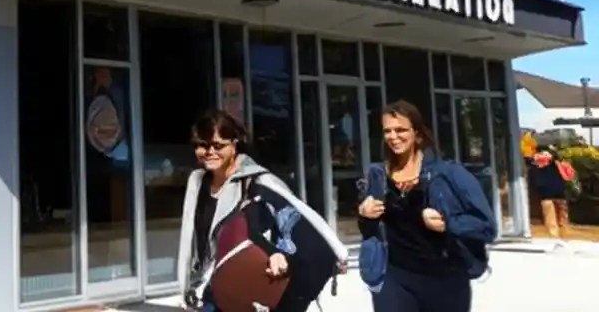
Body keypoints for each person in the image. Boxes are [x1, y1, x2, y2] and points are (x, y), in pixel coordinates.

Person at [177, 110, 347, 312]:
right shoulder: (197, 181)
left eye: (218, 145)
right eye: (202, 145)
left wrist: (337, 250)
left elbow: (300, 214)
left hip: (245, 283)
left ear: (234, 144)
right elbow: (192, 239)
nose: (209, 152)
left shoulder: (258, 181)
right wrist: (187, 287)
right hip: (208, 285)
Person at [357, 100, 497, 312]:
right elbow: (371, 231)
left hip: (445, 280)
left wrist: (447, 224)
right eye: (388, 131)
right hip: (395, 277)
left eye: (401, 130)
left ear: (417, 134)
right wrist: (364, 214)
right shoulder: (378, 176)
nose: (393, 137)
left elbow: (487, 227)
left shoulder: (449, 174)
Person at [528, 144, 571, 246]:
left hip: (545, 195)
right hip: (560, 193)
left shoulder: (534, 164)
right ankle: (565, 239)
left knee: (551, 220)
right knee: (563, 219)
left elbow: (533, 181)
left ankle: (555, 240)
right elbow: (567, 175)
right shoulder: (556, 162)